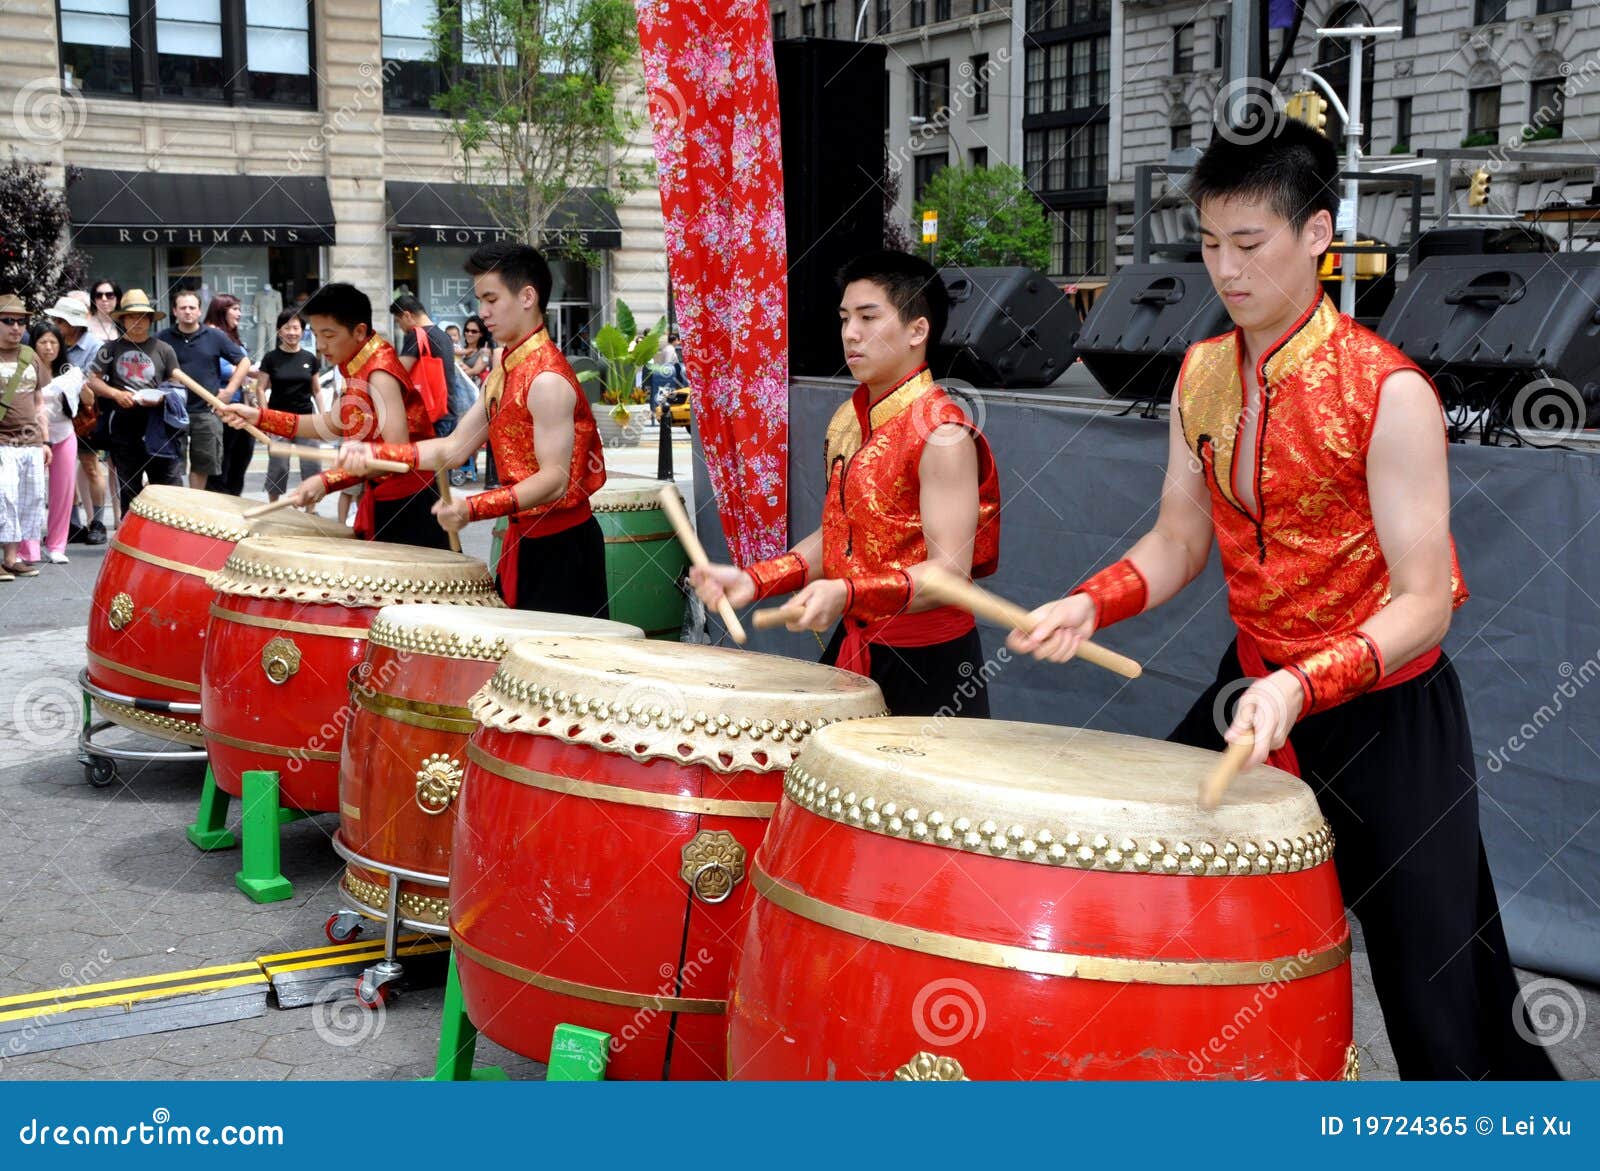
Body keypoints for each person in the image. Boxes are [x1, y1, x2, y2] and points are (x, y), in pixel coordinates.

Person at [1008, 117, 1559, 1081]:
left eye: (1250, 243)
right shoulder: (1203, 372)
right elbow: (1181, 540)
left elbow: (1428, 600)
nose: (1226, 270)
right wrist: (1095, 601)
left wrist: (1306, 684)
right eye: (1210, 244)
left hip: (1387, 713)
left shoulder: (1388, 393)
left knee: (1439, 995)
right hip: (1253, 687)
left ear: (1317, 233)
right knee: (1154, 891)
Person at [690, 251, 1002, 717]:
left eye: (868, 317)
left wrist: (848, 592)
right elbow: (840, 538)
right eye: (844, 318)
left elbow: (949, 575)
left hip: (928, 662)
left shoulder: (942, 433)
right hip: (857, 641)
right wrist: (756, 580)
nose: (850, 333)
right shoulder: (848, 421)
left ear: (918, 331)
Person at [339, 242, 607, 614]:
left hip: (562, 548)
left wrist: (473, 508)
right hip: (524, 540)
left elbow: (554, 481)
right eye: (481, 300)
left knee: (557, 664)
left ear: (527, 296)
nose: (483, 313)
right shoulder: (505, 371)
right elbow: (453, 448)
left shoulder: (546, 378)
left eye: (491, 299)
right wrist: (377, 453)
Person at [221, 282, 447, 548]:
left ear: (359, 331)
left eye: (328, 335)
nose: (321, 345)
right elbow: (331, 424)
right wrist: (258, 416)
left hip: (410, 503)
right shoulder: (357, 361)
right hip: (384, 494)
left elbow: (394, 453)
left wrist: (326, 481)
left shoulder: (379, 371)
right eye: (316, 335)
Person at [86, 290, 183, 515]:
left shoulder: (163, 349)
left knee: (167, 485)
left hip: (158, 424)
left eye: (142, 317)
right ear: (123, 319)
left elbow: (176, 383)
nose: (137, 322)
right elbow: (92, 380)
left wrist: (162, 396)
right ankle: (131, 539)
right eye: (132, 317)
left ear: (150, 320)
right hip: (124, 423)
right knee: (129, 486)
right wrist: (115, 394)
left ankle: (166, 540)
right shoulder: (109, 348)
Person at [158, 290, 250, 491]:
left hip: (206, 411)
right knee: (171, 466)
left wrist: (229, 391)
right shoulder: (162, 338)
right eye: (183, 308)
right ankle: (176, 512)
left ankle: (194, 509)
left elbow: (243, 361)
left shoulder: (215, 336)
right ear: (175, 311)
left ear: (200, 311)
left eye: (192, 308)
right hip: (173, 412)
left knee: (203, 465)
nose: (188, 312)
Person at [25, 321, 90, 564]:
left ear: (60, 346)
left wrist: (85, 387)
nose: (48, 347)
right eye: (43, 342)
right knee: (32, 492)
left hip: (64, 434)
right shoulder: (25, 370)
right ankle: (27, 547)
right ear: (34, 345)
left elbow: (87, 401)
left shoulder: (70, 372)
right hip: (31, 437)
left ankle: (56, 545)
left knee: (62, 493)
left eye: (53, 342)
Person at [0, 295, 52, 579]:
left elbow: (40, 401)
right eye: (8, 320)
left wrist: (45, 441)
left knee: (26, 499)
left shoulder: (30, 355)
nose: (16, 327)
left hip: (30, 442)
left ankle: (11, 558)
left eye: (21, 321)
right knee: (2, 496)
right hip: (2, 441)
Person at [255, 308, 321, 503]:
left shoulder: (310, 358)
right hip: (278, 419)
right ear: (279, 331)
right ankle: (274, 505)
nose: (292, 332)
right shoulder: (270, 358)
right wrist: (265, 417)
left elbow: (317, 390)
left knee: (311, 464)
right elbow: (260, 388)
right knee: (279, 466)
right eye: (287, 328)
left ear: (302, 331)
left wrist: (323, 417)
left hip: (306, 419)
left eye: (296, 328)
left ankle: (311, 509)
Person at [203, 294, 257, 495]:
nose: (239, 314)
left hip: (242, 407)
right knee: (222, 462)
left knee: (241, 459)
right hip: (222, 410)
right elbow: (223, 368)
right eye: (234, 309)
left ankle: (234, 501)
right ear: (221, 310)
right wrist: (250, 370)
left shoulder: (230, 335)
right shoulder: (210, 333)